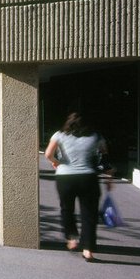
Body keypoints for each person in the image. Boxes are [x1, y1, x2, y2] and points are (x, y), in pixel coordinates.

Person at [44, 112, 112, 262]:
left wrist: (56, 163)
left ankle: (72, 238)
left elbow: (48, 154)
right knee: (89, 214)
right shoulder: (95, 136)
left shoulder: (59, 135)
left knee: (66, 209)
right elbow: (105, 158)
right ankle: (88, 250)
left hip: (65, 178)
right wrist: (109, 179)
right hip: (88, 178)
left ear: (68, 122)